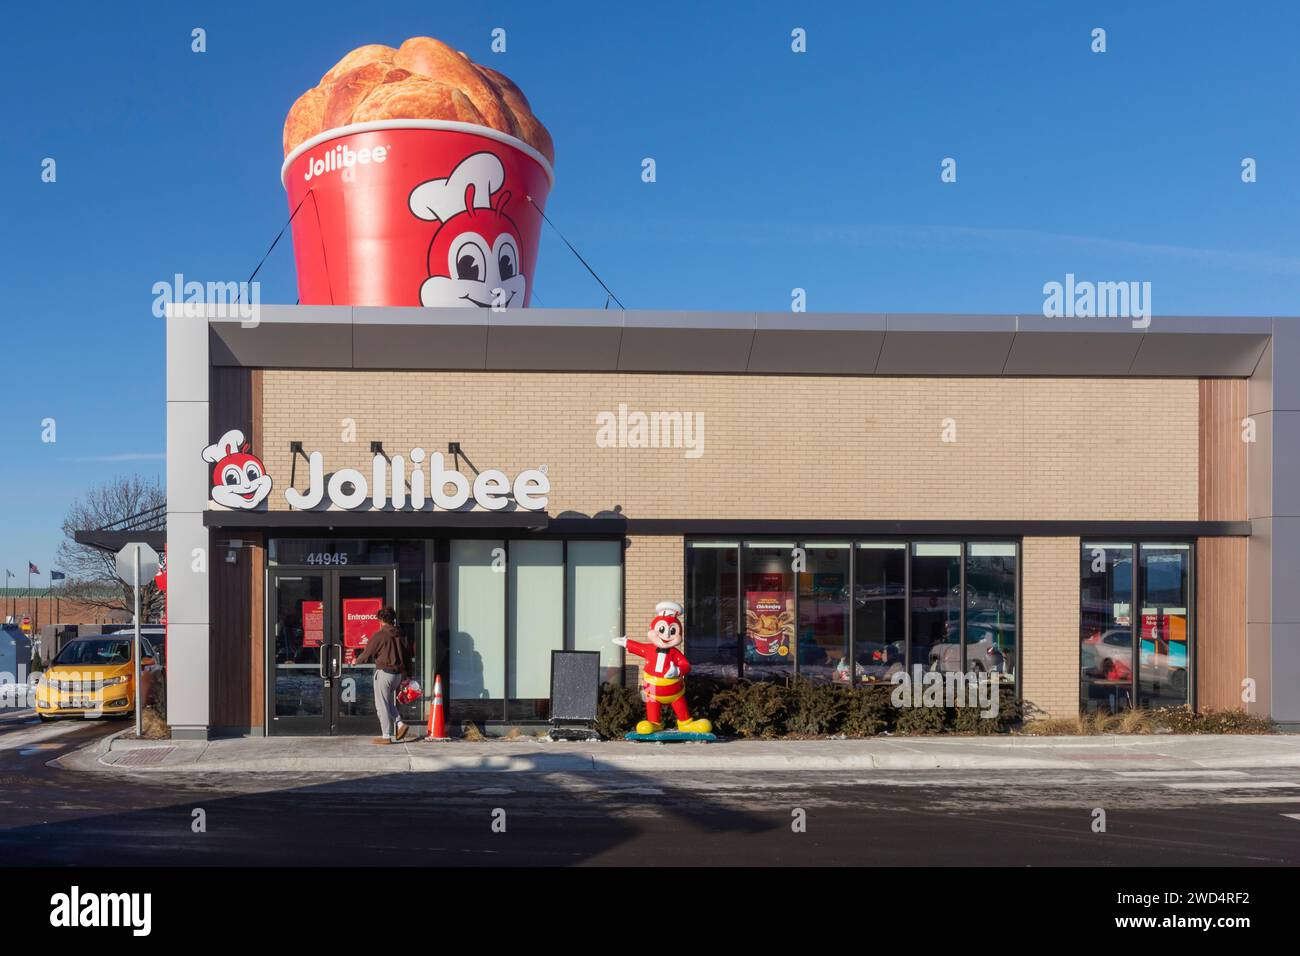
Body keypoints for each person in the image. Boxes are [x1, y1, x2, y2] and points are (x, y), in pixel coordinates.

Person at [352, 607, 411, 745]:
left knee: (381, 705)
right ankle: (400, 724)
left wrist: (356, 661)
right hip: (397, 675)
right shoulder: (401, 634)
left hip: (384, 673)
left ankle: (386, 735)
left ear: (381, 620)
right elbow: (408, 656)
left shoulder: (380, 635)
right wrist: (408, 674)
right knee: (389, 703)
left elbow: (367, 653)